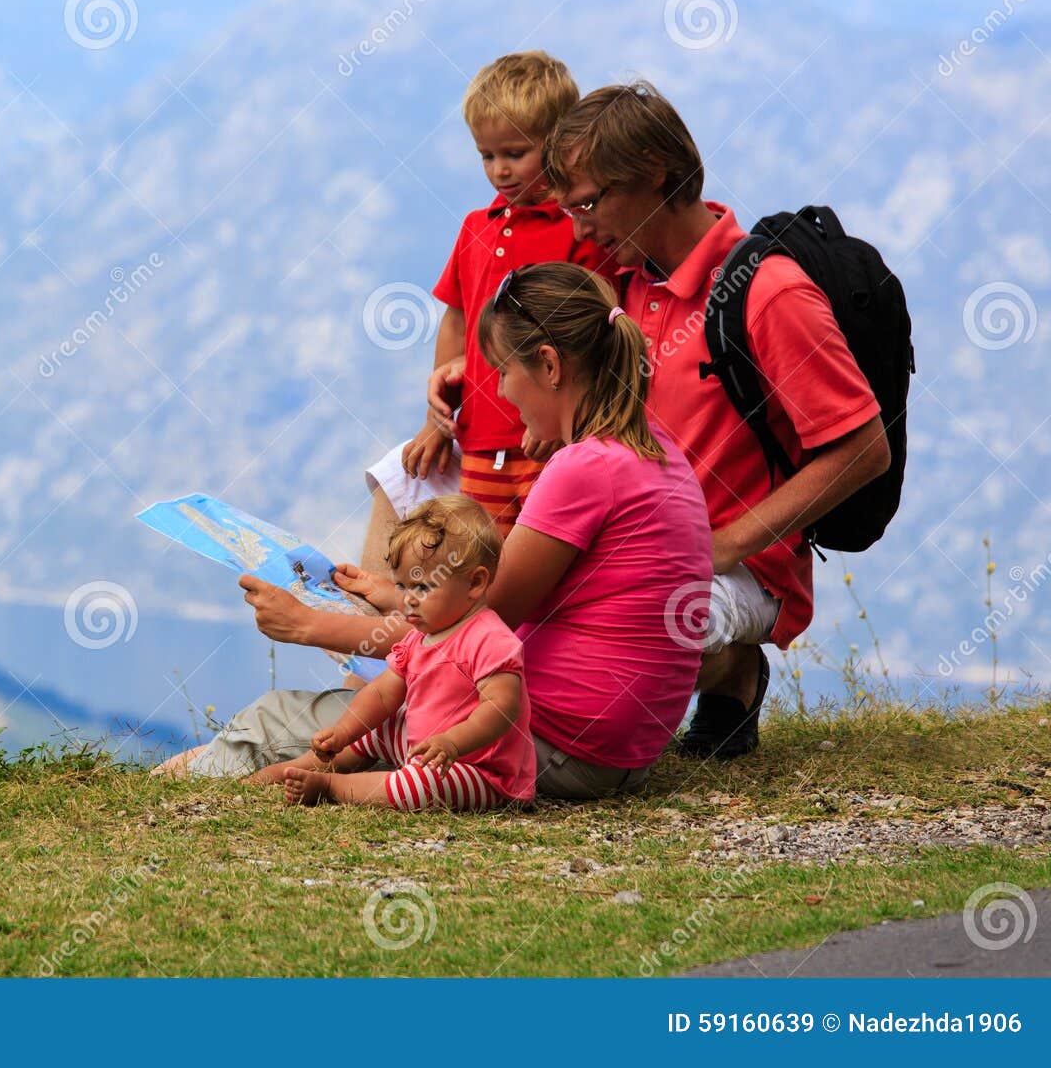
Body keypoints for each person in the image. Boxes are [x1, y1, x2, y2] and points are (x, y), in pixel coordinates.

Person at [165, 263, 713, 799]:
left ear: (549, 365)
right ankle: (179, 780)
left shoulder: (585, 469)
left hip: (557, 743)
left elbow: (455, 634)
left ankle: (172, 798)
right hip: (620, 749)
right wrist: (388, 594)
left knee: (274, 718)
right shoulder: (657, 451)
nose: (500, 391)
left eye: (503, 370)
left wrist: (308, 624)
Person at [543, 81, 891, 759]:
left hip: (738, 566)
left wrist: (723, 544)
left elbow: (862, 448)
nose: (580, 227)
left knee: (637, 629)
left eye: (590, 202)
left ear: (654, 174)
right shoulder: (629, 287)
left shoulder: (768, 291)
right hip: (640, 547)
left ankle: (734, 670)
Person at [359, 51, 608, 572]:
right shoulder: (477, 227)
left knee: (549, 564)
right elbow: (456, 318)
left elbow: (596, 330)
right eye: (486, 155)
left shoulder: (579, 230)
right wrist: (437, 419)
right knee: (481, 562)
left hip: (552, 440)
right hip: (480, 440)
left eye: (515, 153)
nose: (499, 170)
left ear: (560, 145)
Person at [249, 495, 533, 811]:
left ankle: (333, 786)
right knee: (382, 725)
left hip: (481, 772)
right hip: (425, 748)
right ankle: (308, 765)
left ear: (475, 583)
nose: (408, 600)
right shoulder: (420, 636)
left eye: (423, 588)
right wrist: (343, 733)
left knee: (421, 785)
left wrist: (452, 742)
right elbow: (383, 695)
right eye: (402, 586)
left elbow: (501, 708)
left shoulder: (490, 639)